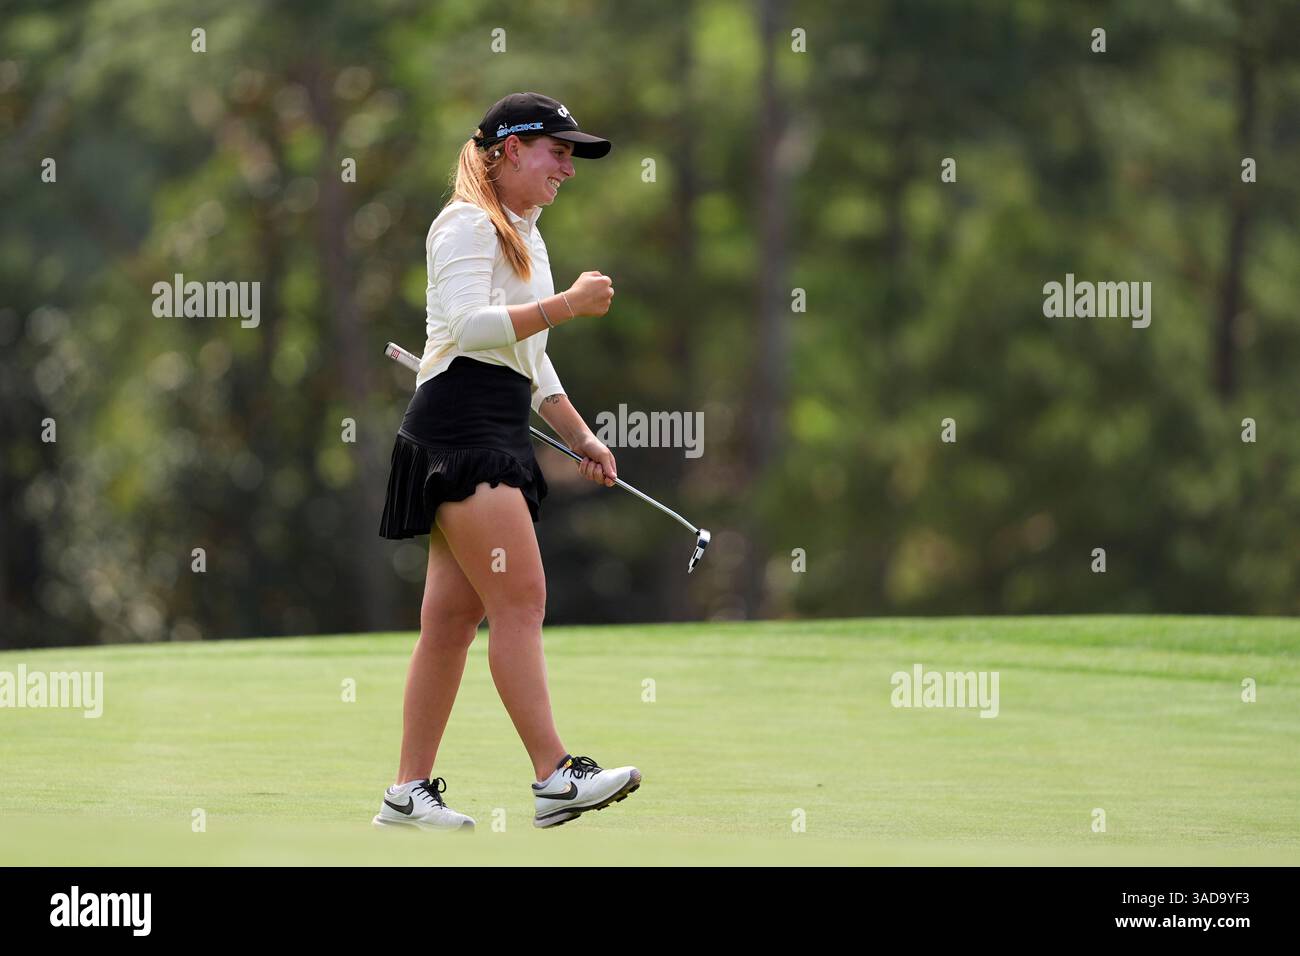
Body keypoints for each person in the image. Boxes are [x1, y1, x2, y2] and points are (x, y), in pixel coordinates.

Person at [374, 92, 641, 831]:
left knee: (452, 622)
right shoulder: (465, 222)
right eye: (558, 151)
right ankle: (554, 776)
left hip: (495, 420)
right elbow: (468, 326)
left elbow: (531, 363)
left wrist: (582, 436)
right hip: (461, 426)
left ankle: (406, 791)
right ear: (510, 150)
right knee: (519, 600)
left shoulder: (526, 234)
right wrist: (567, 305)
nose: (569, 169)